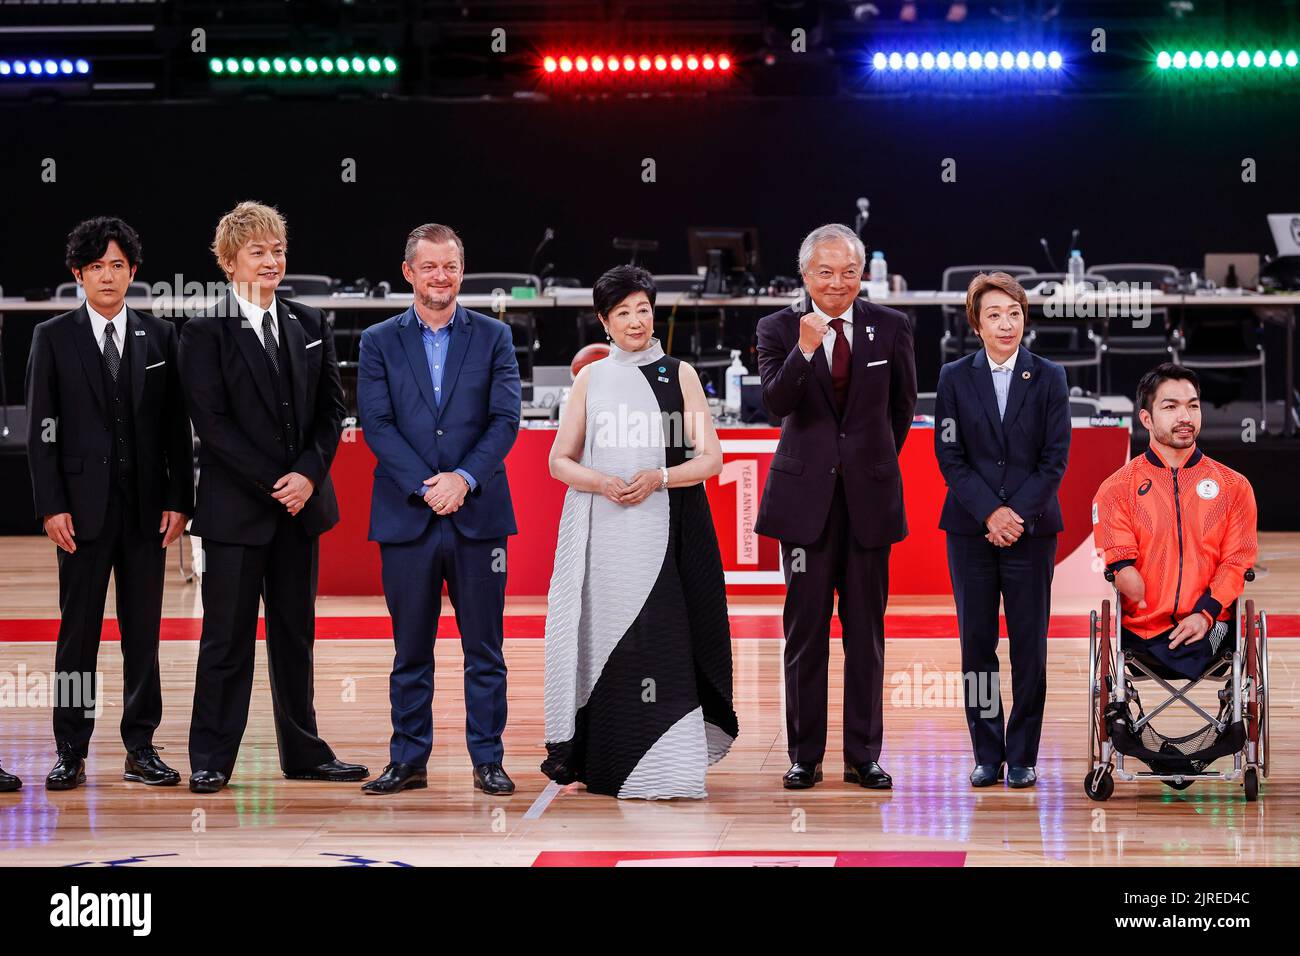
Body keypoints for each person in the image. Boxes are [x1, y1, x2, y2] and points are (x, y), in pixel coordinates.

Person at [179, 201, 366, 794]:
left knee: (295, 635)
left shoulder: (310, 323)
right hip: (237, 515)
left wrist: (308, 476)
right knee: (225, 639)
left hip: (300, 509)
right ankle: (211, 757)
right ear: (229, 262)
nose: (271, 261)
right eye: (257, 251)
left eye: (278, 250)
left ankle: (304, 752)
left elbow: (332, 410)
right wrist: (275, 482)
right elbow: (212, 424)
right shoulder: (203, 331)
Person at [542, 265, 737, 798]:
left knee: (669, 640)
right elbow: (559, 461)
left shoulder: (681, 375)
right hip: (605, 538)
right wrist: (602, 481)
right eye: (622, 312)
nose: (635, 320)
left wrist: (661, 478)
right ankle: (607, 762)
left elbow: (713, 459)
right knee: (611, 645)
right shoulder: (591, 378)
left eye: (643, 309)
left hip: (671, 530)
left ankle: (672, 766)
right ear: (604, 322)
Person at [24, 217, 193, 790]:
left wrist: (180, 500)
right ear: (78, 273)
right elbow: (41, 427)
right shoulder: (53, 336)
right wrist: (51, 506)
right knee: (79, 633)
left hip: (147, 510)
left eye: (117, 265)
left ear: (133, 272)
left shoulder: (160, 336)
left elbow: (175, 429)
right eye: (95, 266)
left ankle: (140, 747)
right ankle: (70, 748)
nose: (107, 275)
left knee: (143, 631)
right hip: (80, 510)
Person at [356, 224, 521, 796]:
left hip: (478, 515)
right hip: (408, 516)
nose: (441, 277)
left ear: (461, 270)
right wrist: (429, 486)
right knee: (410, 651)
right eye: (429, 267)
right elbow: (375, 423)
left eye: (450, 266)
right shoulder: (377, 339)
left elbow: (505, 421)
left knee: (485, 650)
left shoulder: (495, 336)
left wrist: (464, 479)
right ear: (408, 273)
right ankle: (408, 760)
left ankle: (488, 760)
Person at [755, 223, 916, 790]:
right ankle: (804, 755)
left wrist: (865, 467)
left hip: (868, 503)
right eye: (825, 271)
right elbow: (776, 401)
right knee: (805, 632)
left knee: (866, 632)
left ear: (862, 273)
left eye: (849, 271)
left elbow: (901, 412)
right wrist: (804, 347)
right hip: (804, 507)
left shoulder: (891, 326)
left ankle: (863, 755)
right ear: (805, 276)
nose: (837, 282)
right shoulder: (777, 328)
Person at [933, 272, 1070, 789]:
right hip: (969, 530)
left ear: (1024, 317)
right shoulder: (953, 377)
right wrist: (990, 513)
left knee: (1029, 646)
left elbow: (1054, 460)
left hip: (1032, 532)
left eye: (1013, 313)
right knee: (977, 646)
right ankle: (987, 752)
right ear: (977, 324)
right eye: (994, 314)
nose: (1005, 323)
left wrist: (1016, 517)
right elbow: (949, 453)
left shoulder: (1050, 376)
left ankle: (1022, 755)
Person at [1093, 364, 1258, 682]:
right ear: (1146, 418)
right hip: (1140, 636)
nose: (1185, 416)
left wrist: (1204, 613)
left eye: (1192, 406)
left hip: (1210, 629)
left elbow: (1237, 562)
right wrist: (1125, 573)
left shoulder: (1234, 486)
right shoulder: (1115, 489)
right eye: (1171, 406)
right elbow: (1120, 562)